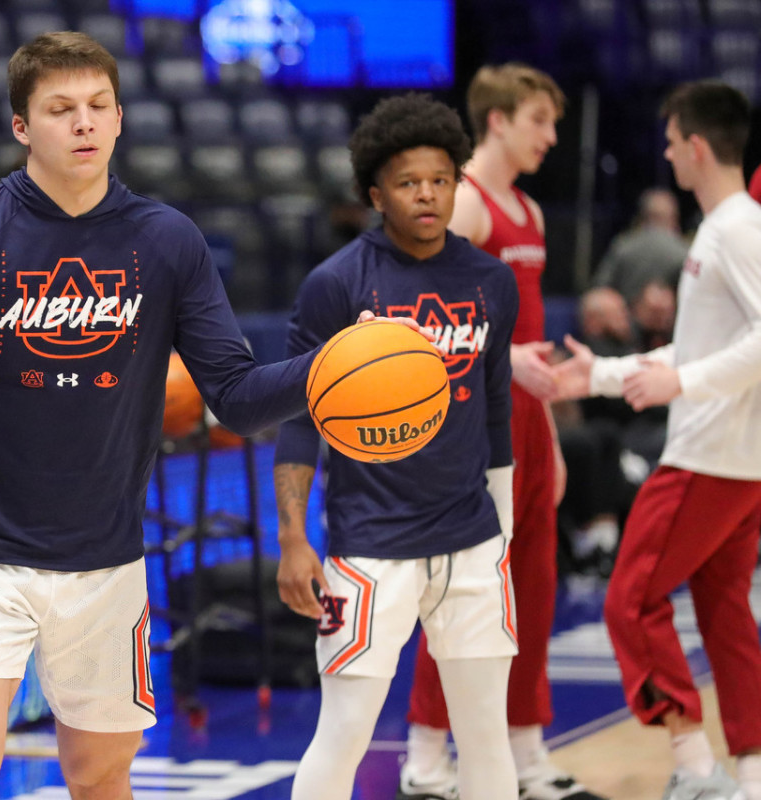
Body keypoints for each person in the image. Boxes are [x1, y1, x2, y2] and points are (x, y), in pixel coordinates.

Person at [0, 32, 415, 800]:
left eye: (98, 106)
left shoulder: (167, 241)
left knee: (100, 775)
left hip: (106, 559)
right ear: (21, 128)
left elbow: (238, 396)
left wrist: (334, 366)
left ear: (118, 119)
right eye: (60, 109)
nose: (83, 123)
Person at [274, 93, 519, 800]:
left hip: (471, 542)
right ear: (376, 192)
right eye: (409, 182)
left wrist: (502, 528)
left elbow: (497, 407)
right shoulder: (337, 285)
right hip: (370, 546)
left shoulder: (489, 281)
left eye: (442, 179)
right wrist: (294, 537)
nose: (428, 195)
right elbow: (297, 422)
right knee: (346, 731)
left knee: (484, 737)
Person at [398, 64, 605, 800]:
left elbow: (533, 334)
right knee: (458, 593)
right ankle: (425, 758)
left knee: (534, 588)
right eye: (540, 121)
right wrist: (506, 364)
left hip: (526, 417)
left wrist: (547, 428)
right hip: (468, 416)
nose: (551, 136)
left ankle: (525, 753)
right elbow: (427, 321)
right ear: (498, 121)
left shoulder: (531, 213)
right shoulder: (465, 206)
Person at [554, 80, 761, 800]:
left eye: (672, 140)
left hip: (708, 457)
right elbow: (698, 348)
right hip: (738, 461)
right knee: (725, 614)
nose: (667, 151)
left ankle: (696, 769)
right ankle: (752, 775)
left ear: (696, 147)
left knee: (630, 602)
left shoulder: (735, 229)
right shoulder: (722, 229)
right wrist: (602, 375)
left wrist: (686, 385)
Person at [590, 187, 687, 307]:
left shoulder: (622, 246)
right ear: (674, 218)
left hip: (626, 321)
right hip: (673, 324)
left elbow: (600, 289)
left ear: (641, 217)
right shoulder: (683, 251)